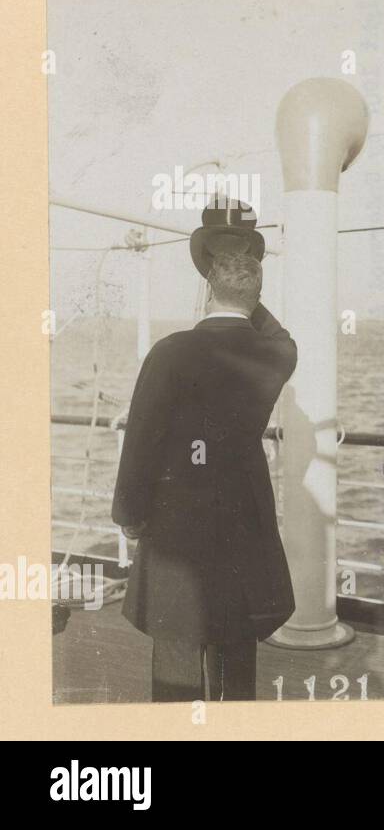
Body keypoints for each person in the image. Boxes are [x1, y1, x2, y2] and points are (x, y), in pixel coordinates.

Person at [113, 204, 297, 701]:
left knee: (176, 651)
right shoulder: (277, 354)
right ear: (256, 293)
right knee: (237, 650)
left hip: (177, 526)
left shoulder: (170, 352)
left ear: (207, 286)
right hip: (244, 522)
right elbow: (277, 332)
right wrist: (242, 278)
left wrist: (129, 515)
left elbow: (141, 445)